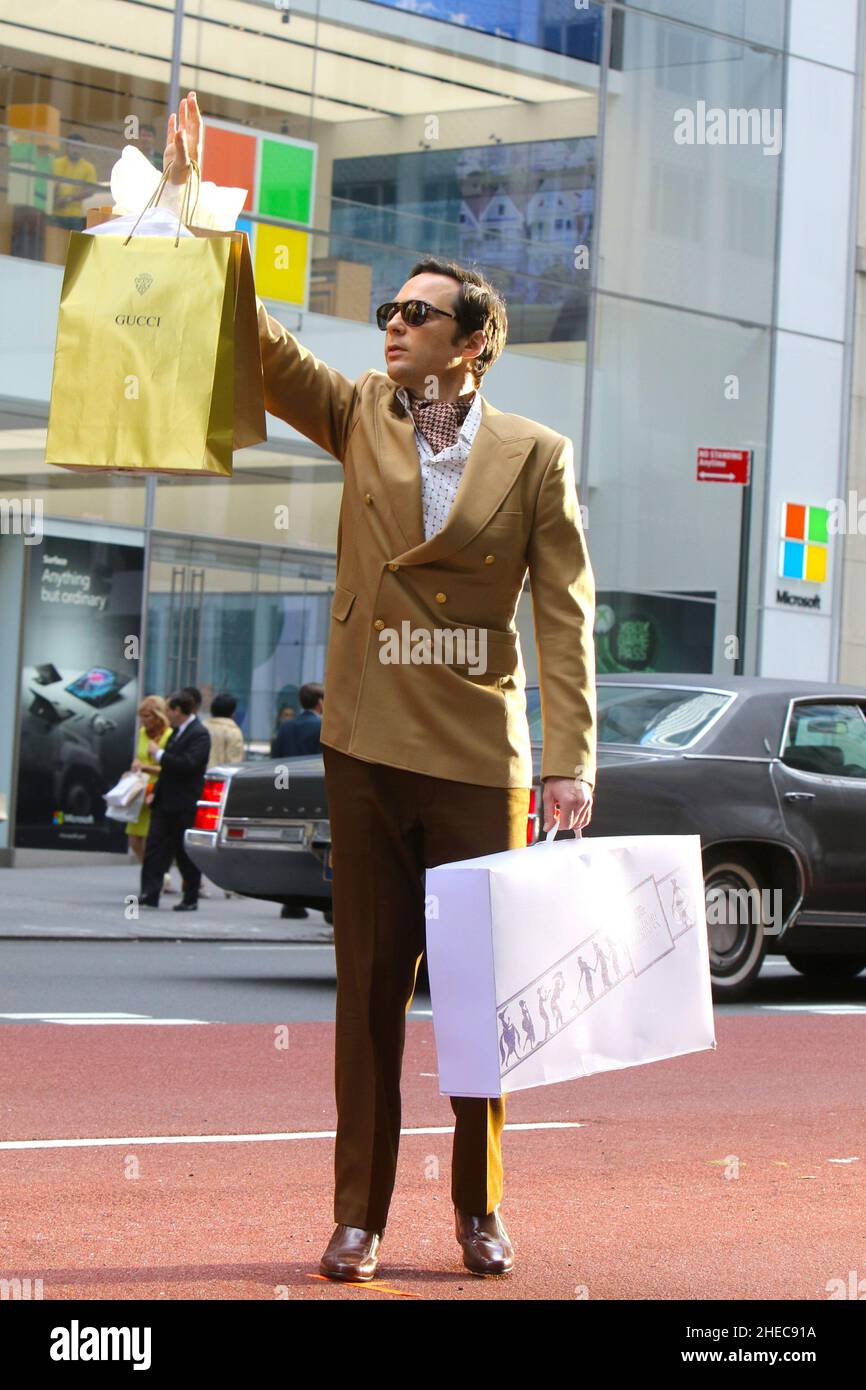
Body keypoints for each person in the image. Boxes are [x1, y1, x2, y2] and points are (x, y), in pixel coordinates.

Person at [165, 94, 596, 1282]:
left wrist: (567, 760)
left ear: (471, 341)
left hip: (473, 753)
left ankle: (477, 1206)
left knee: (474, 1001)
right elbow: (258, 350)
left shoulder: (534, 457)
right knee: (364, 996)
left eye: (415, 313)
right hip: (362, 743)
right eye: (387, 310)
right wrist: (209, 216)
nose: (390, 325)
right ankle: (355, 1213)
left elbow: (562, 610)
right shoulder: (358, 414)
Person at [139, 689, 211, 913]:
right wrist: (156, 791)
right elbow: (167, 772)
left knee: (184, 852)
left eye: (169, 709)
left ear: (178, 710)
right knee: (154, 848)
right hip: (164, 801)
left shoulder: (199, 734)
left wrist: (159, 755)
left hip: (184, 803)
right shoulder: (178, 732)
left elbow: (188, 765)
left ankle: (190, 897)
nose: (166, 713)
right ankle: (149, 892)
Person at [126, 695, 172, 864]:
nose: (144, 720)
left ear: (158, 716)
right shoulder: (142, 733)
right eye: (142, 716)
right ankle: (151, 871)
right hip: (139, 789)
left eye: (147, 716)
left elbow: (170, 768)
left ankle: (156, 874)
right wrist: (137, 764)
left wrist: (146, 767)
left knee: (150, 838)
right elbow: (139, 757)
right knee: (133, 838)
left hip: (156, 790)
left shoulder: (168, 735)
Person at [51, 133, 97, 233]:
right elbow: (48, 185)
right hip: (55, 213)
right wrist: (55, 199)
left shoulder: (88, 167)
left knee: (74, 246)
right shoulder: (55, 163)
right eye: (73, 146)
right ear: (67, 147)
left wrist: (69, 199)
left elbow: (91, 190)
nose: (76, 150)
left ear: (83, 149)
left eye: (79, 147)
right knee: (54, 243)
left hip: (75, 215)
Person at [271, 683, 323, 758]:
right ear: (320, 702)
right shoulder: (322, 727)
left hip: (287, 769)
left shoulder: (285, 726)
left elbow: (276, 755)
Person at [203, 692, 246, 767]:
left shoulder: (201, 727)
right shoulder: (233, 731)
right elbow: (234, 763)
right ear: (232, 713)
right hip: (219, 777)